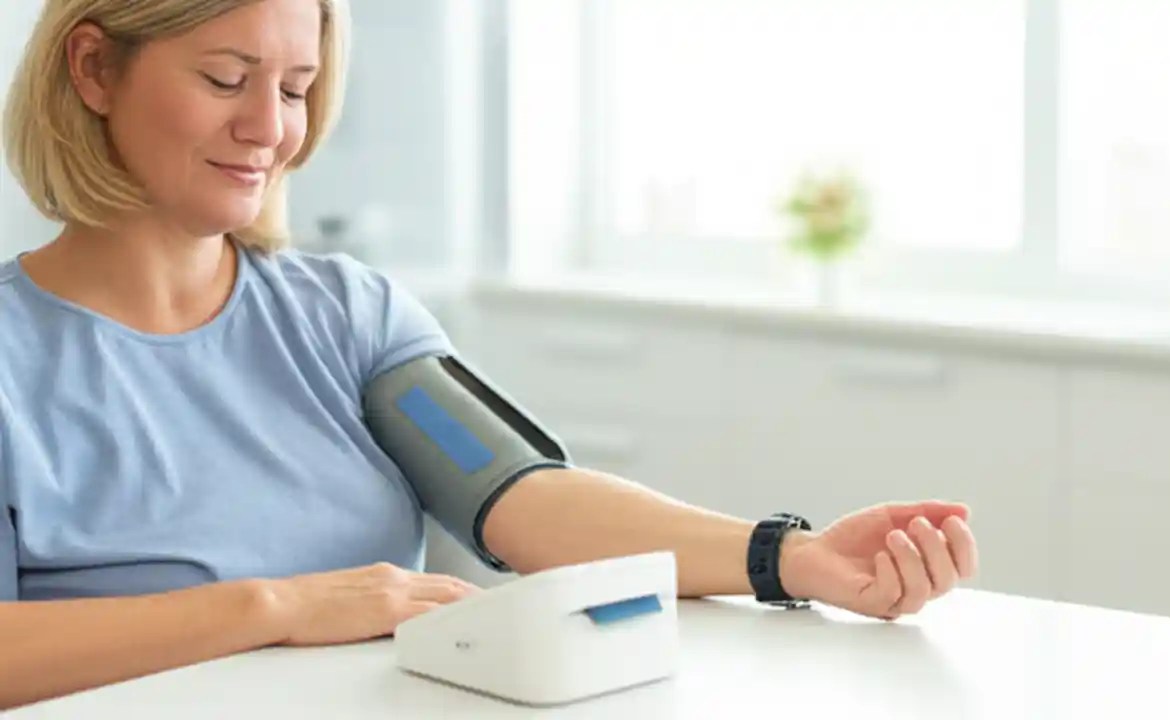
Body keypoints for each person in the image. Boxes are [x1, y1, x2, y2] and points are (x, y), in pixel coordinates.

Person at [0, 0, 979, 709]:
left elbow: (521, 498)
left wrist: (788, 558)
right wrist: (272, 607)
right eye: (225, 78)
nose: (269, 129)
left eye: (295, 89)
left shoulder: (343, 317)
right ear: (92, 68)